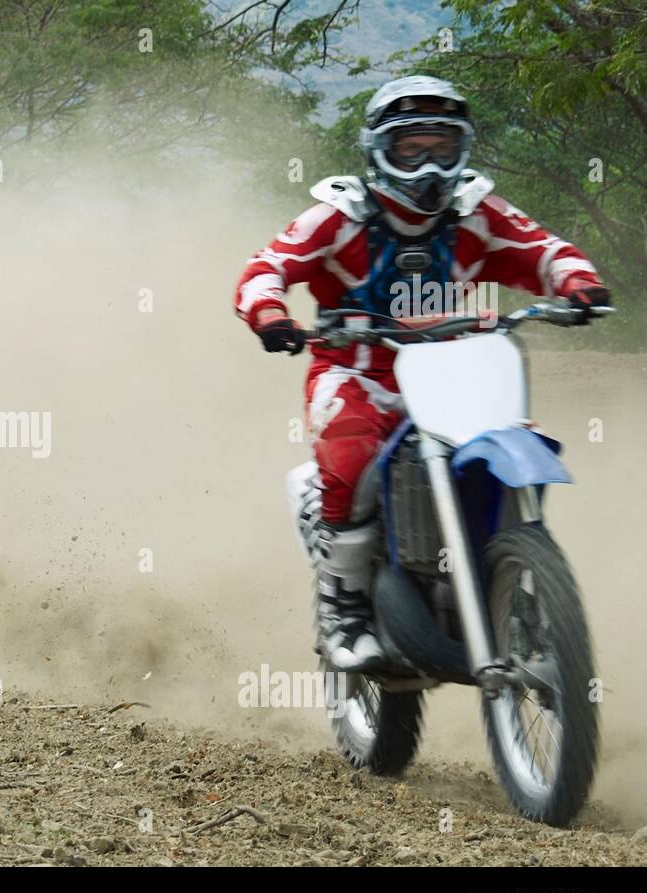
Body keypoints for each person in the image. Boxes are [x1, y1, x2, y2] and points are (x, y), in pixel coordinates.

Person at [233, 75, 610, 671]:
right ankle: (344, 609)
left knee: (520, 437)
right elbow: (267, 267)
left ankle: (513, 574)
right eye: (412, 148)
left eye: (442, 146)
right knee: (350, 452)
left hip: (453, 373)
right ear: (381, 151)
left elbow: (544, 250)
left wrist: (579, 285)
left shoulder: (477, 212)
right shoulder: (340, 216)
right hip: (356, 372)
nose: (429, 164)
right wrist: (270, 315)